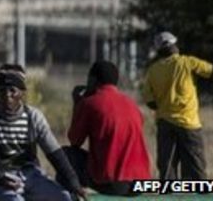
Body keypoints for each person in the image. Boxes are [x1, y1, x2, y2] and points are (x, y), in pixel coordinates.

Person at [0, 64, 86, 201]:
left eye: (12, 91)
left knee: (63, 197)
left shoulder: (34, 117)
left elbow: (54, 153)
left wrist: (74, 182)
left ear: (22, 93)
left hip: (31, 174)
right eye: (2, 90)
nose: (7, 95)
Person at [141, 32, 213, 180]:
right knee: (195, 170)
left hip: (165, 125)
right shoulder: (188, 62)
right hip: (188, 124)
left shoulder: (153, 71)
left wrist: (166, 106)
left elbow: (150, 102)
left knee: (167, 171)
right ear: (173, 46)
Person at [63, 61, 150, 196]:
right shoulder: (132, 104)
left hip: (114, 184)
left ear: (93, 80)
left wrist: (77, 104)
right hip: (141, 183)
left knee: (65, 155)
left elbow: (74, 140)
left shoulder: (90, 103)